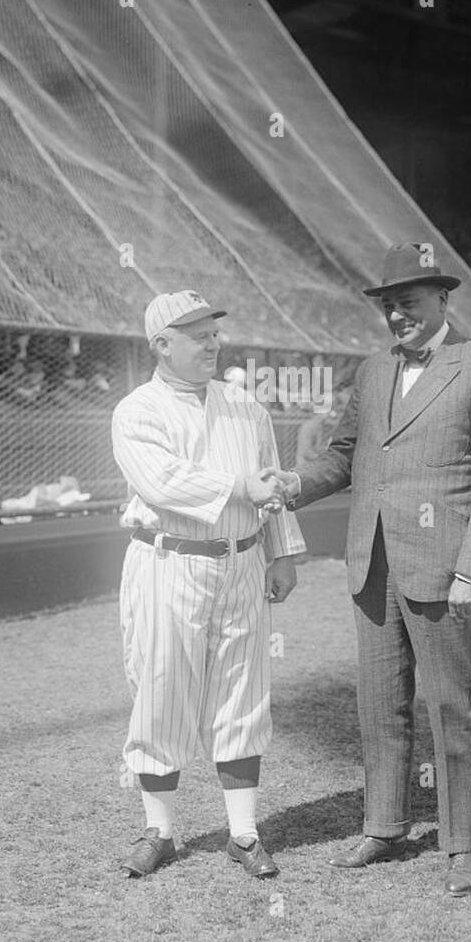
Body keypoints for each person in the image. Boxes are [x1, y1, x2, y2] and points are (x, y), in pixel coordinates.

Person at [270, 242, 471, 896]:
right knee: (379, 707)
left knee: (449, 708)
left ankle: (460, 842)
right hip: (371, 564)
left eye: (407, 303)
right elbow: (344, 457)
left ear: (442, 298)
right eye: (388, 306)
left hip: (441, 569)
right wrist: (294, 482)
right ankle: (382, 825)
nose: (396, 317)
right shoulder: (373, 369)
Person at [112, 290, 305, 881]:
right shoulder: (137, 409)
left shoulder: (246, 406)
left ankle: (243, 833)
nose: (212, 342)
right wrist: (241, 488)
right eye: (196, 334)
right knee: (162, 694)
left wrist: (282, 550)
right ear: (161, 345)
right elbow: (164, 483)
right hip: (168, 562)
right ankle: (161, 831)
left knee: (243, 693)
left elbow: (269, 482)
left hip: (242, 559)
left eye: (214, 331)